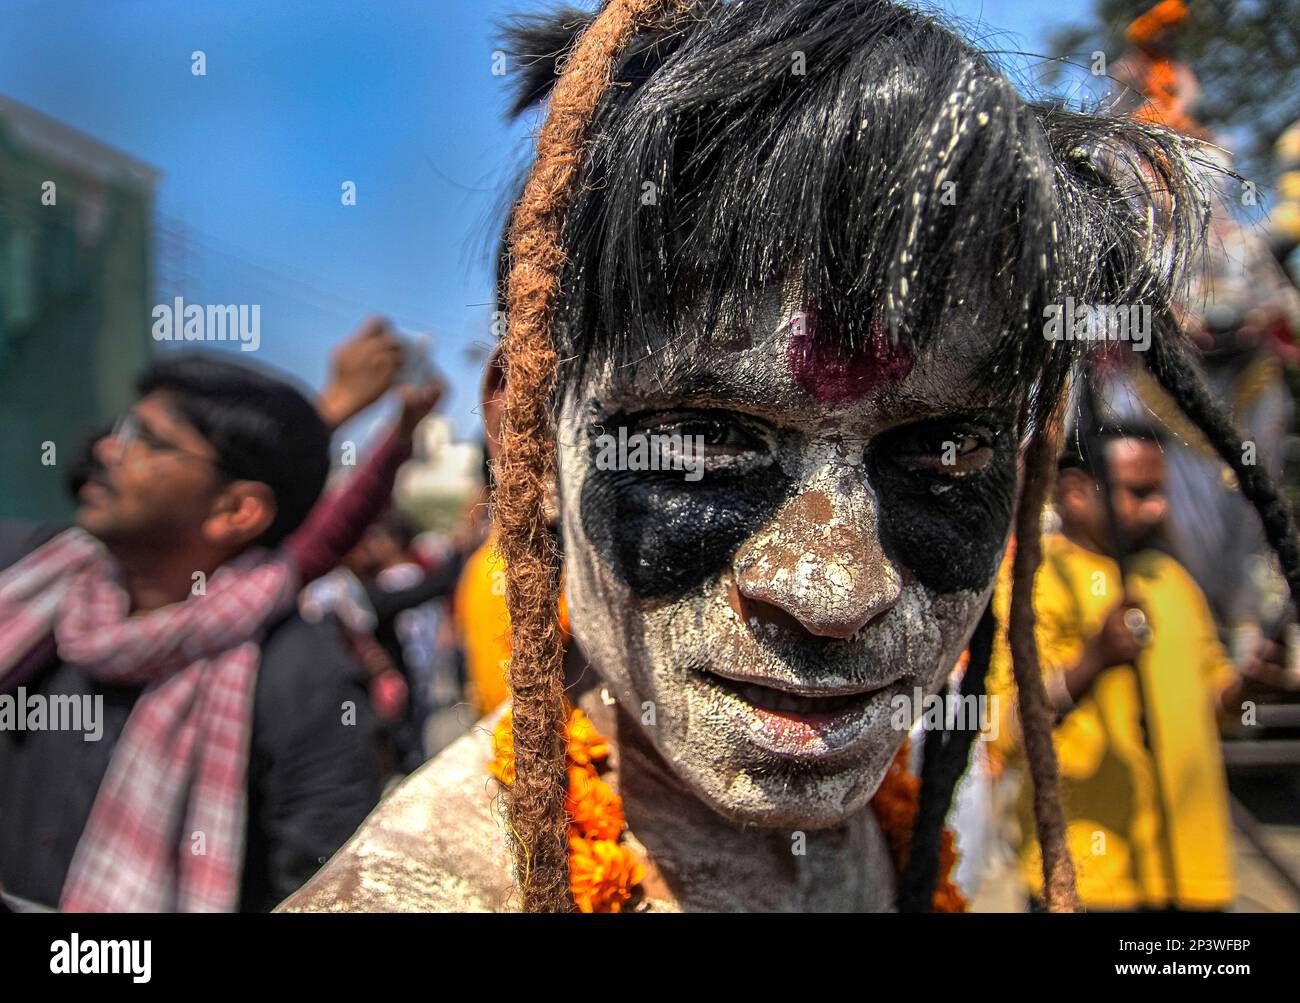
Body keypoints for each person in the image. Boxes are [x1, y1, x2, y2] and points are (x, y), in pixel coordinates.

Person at [280, 0, 1300, 913]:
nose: (836, 588)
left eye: (946, 451)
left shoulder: (881, 841)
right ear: (523, 437)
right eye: (708, 439)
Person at [0, 344, 443, 912]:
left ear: (237, 512)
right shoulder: (32, 587)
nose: (109, 448)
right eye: (124, 429)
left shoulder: (297, 679)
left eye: (149, 442)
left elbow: (321, 896)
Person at [987, 425, 1293, 911]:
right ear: (1076, 493)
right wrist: (1095, 660)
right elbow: (1005, 731)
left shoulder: (1171, 579)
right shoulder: (1032, 583)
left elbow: (1215, 707)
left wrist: (1250, 687)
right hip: (1089, 880)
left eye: (1161, 492)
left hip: (1190, 871)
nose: (1159, 508)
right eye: (1139, 492)